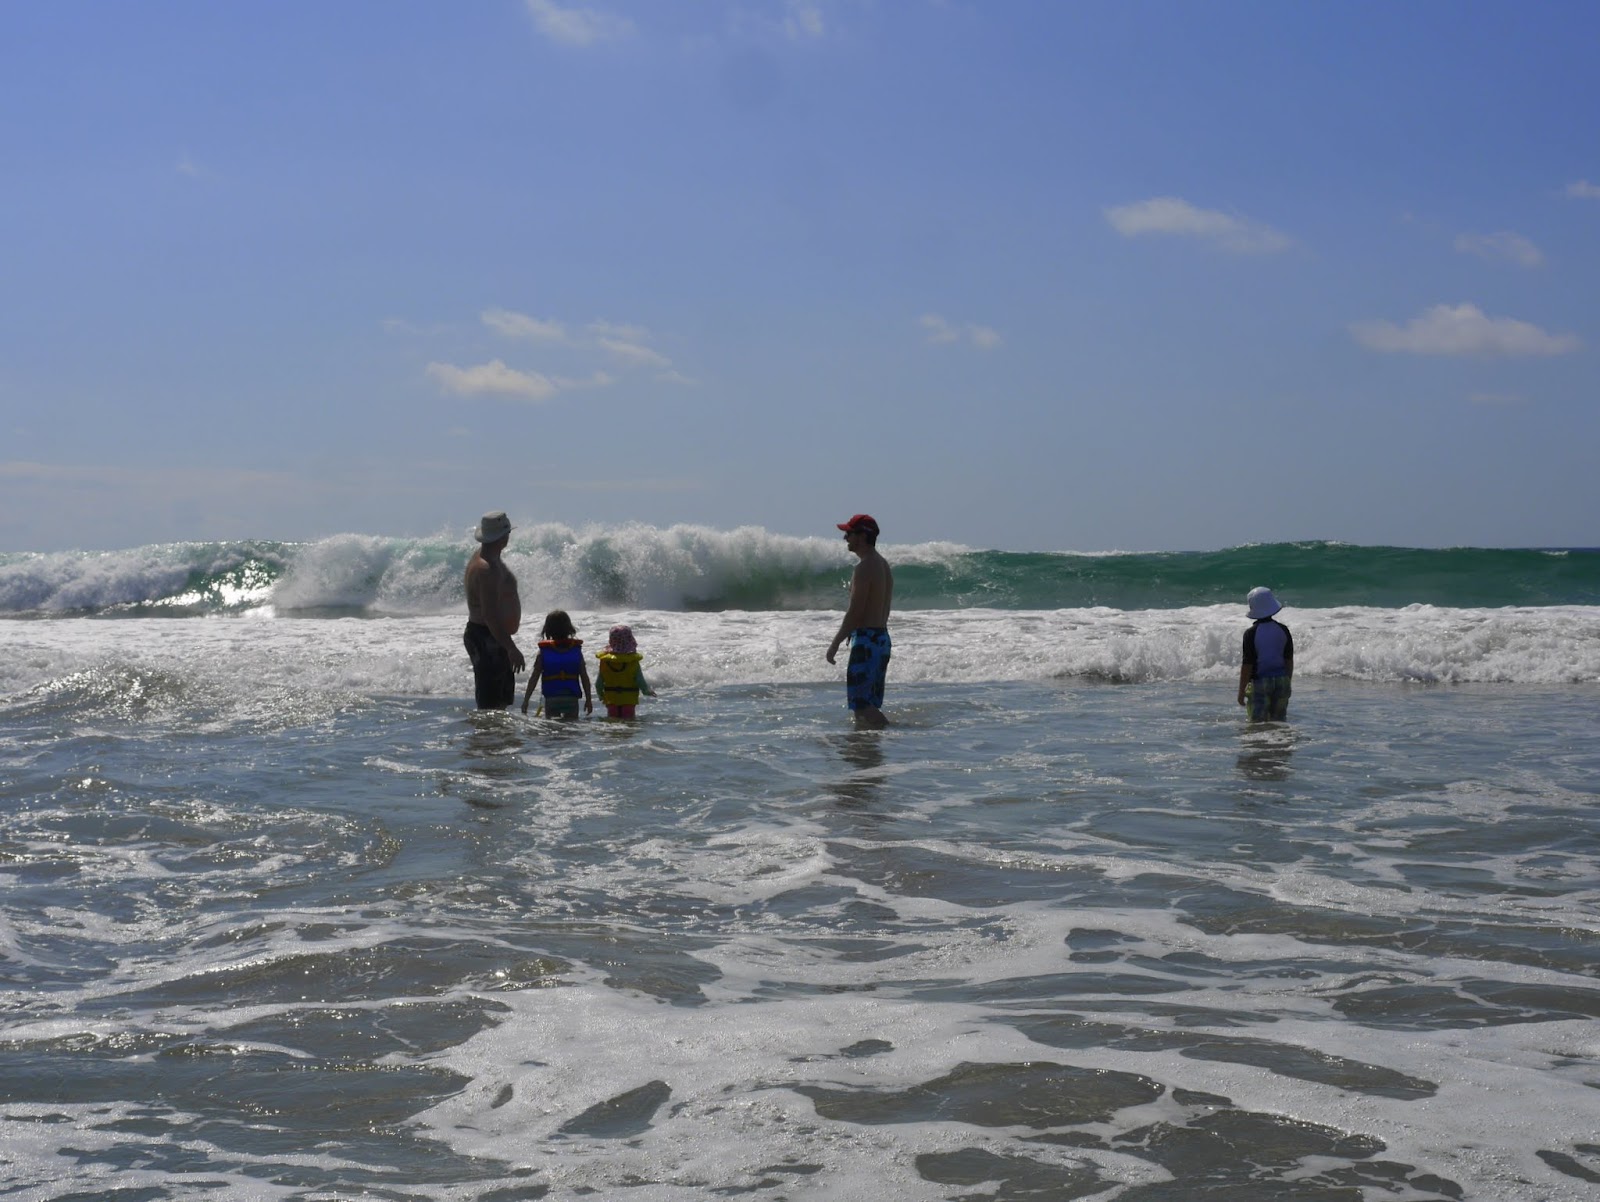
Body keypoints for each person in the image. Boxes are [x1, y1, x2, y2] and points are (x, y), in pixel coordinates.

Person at [826, 513, 894, 729]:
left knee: (862, 706)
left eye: (849, 533)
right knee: (866, 706)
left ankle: (895, 734)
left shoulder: (864, 568)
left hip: (867, 641)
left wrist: (835, 643)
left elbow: (855, 612)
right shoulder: (883, 565)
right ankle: (868, 746)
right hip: (881, 639)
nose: (845, 538)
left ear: (862, 536)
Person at [463, 511, 525, 709]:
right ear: (502, 536)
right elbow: (489, 615)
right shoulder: (486, 569)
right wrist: (511, 648)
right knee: (491, 704)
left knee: (501, 700)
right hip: (486, 636)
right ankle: (485, 731)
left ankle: (493, 731)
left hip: (492, 636)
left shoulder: (490, 558)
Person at [522, 609, 593, 719]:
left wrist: (526, 700)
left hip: (552, 698)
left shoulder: (544, 652)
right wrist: (588, 699)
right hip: (571, 698)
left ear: (548, 630)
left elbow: (534, 677)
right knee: (571, 725)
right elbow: (584, 677)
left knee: (552, 727)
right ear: (569, 628)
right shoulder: (576, 650)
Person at [1238, 586, 1294, 722]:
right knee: (1279, 722)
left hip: (1260, 682)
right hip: (1281, 680)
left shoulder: (1250, 634)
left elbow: (1248, 664)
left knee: (1257, 723)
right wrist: (1287, 681)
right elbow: (1288, 660)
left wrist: (1241, 691)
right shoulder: (1283, 629)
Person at [595, 624, 655, 718]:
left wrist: (601, 695)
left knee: (612, 724)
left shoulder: (605, 662)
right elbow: (640, 681)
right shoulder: (633, 661)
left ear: (611, 640)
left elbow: (598, 684)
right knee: (629, 724)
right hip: (628, 701)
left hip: (611, 700)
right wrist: (647, 691)